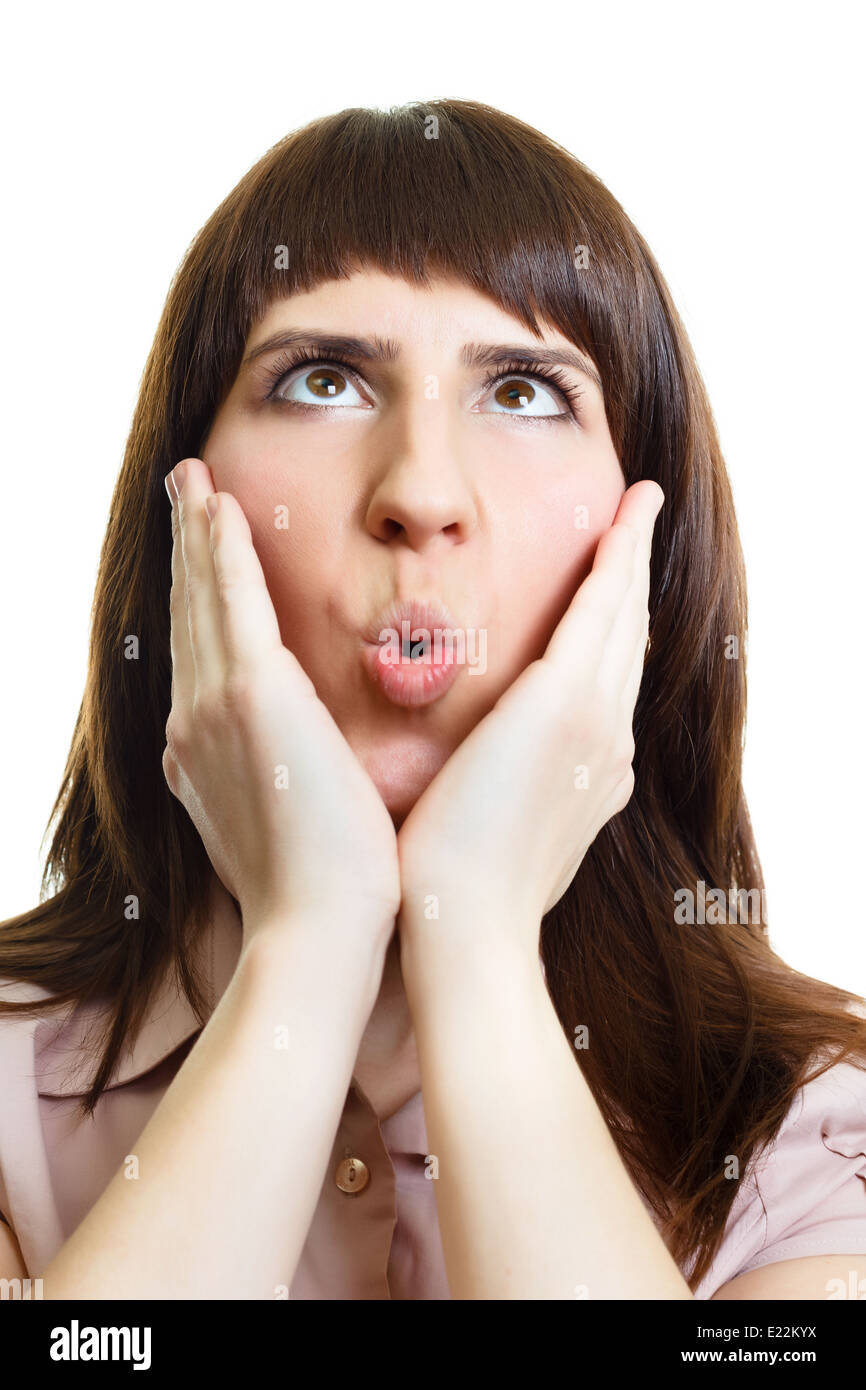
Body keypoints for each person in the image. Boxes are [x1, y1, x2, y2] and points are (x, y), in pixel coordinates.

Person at [1, 99, 864, 1301]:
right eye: (319, 378)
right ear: (184, 510)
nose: (418, 490)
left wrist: (477, 943)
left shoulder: (814, 1138)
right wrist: (307, 942)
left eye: (521, 391)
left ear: (640, 549)